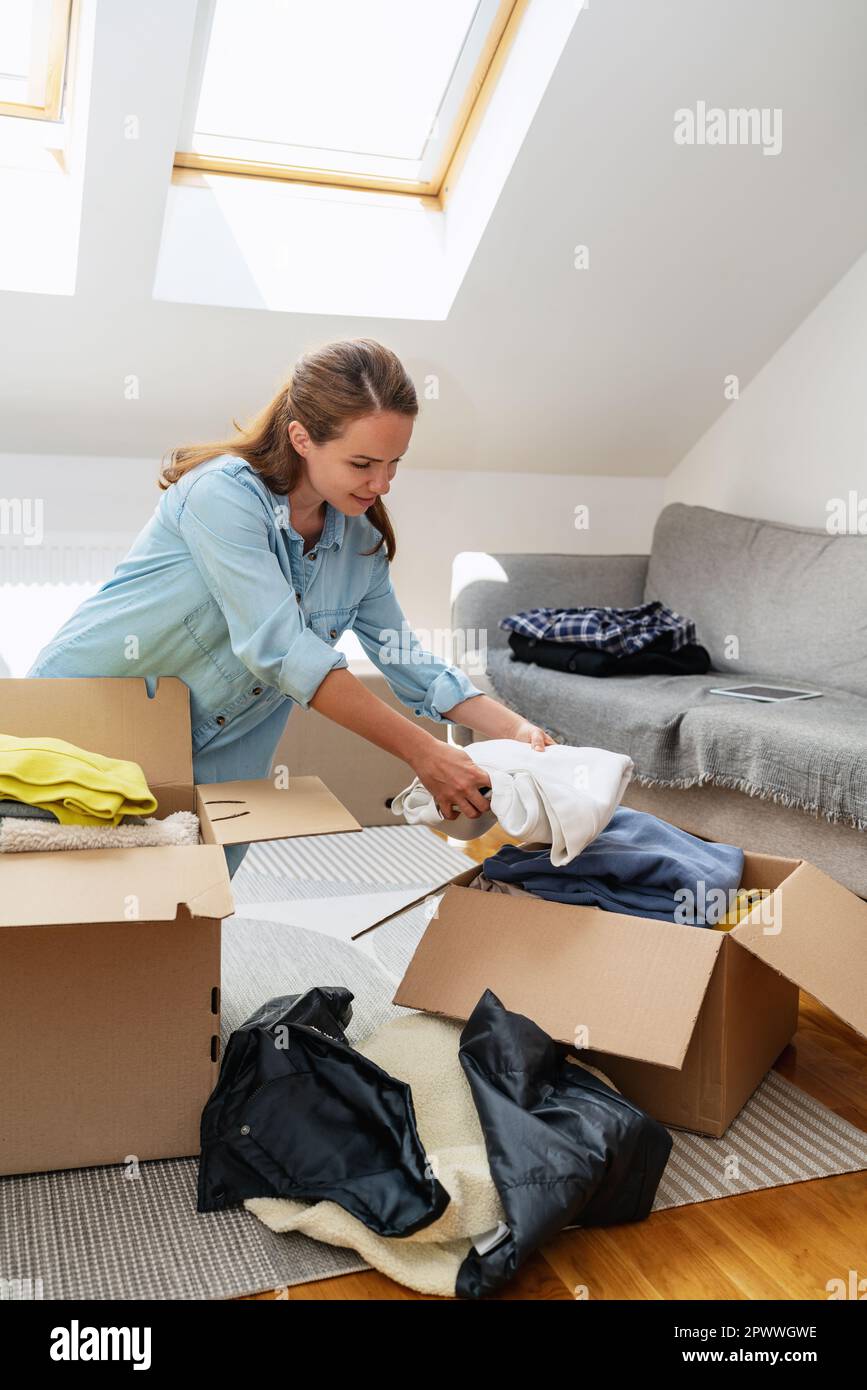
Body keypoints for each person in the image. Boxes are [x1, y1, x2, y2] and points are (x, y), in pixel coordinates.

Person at [26, 338, 554, 877]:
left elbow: (406, 658)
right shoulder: (222, 495)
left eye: (395, 463)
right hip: (93, 714)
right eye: (363, 463)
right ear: (301, 438)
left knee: (181, 926)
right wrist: (423, 753)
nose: (382, 483)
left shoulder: (359, 545)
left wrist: (515, 730)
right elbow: (279, 648)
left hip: (224, 759)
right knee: (58, 901)